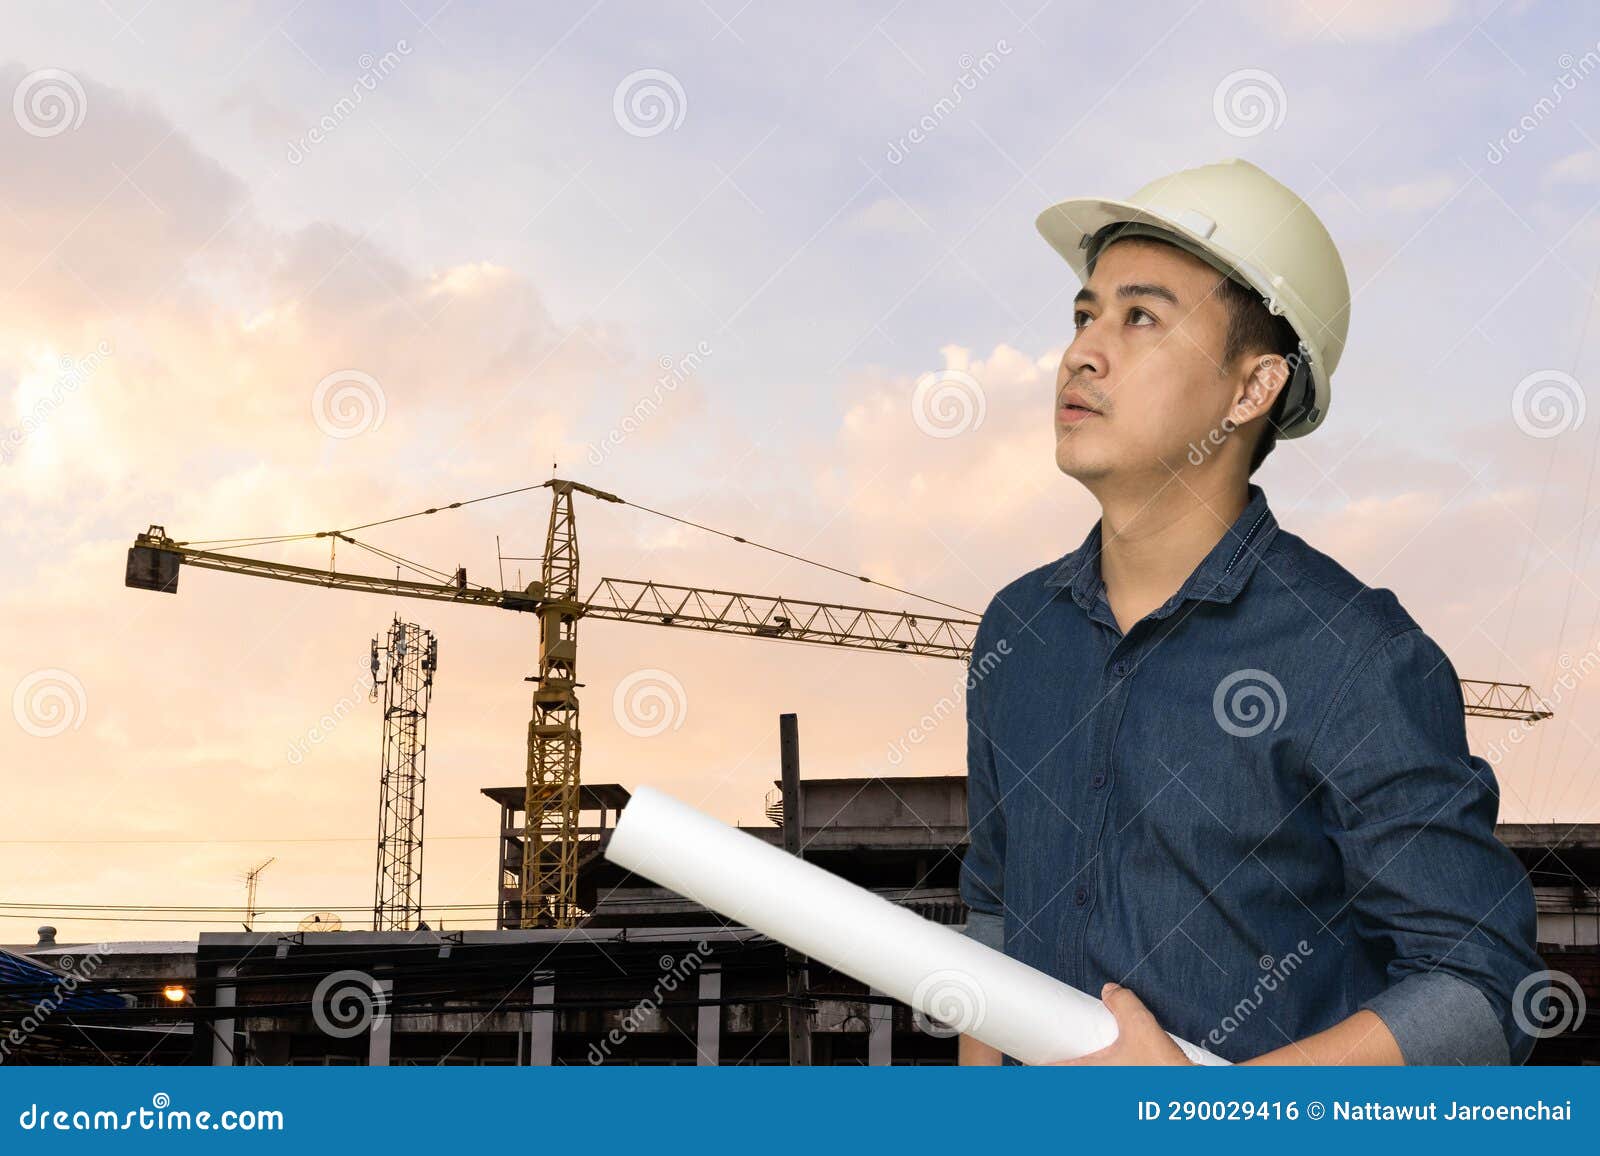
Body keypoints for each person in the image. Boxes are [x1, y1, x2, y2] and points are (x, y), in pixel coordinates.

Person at [957, 158, 1544, 1066]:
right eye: (1085, 314)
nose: (1082, 350)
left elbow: (1481, 987)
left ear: (1251, 389)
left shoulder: (1353, 654)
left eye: (1141, 316)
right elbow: (993, 920)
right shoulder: (1017, 632)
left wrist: (1214, 1114)